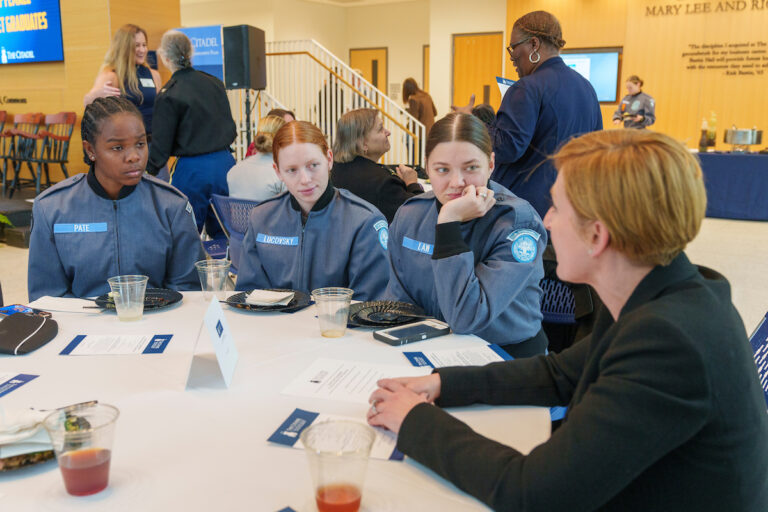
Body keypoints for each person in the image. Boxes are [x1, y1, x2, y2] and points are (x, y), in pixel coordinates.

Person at [367, 129, 768, 511]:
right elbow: (562, 373)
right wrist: (442, 383)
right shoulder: (660, 290)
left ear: (597, 236)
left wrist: (413, 421)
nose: (547, 221)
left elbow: (531, 493)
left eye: (558, 207)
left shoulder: (670, 341)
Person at [385, 113, 547, 357]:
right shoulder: (410, 216)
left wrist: (449, 223)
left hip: (505, 359)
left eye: (471, 168)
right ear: (427, 166)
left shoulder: (517, 223)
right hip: (427, 350)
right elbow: (397, 305)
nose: (456, 182)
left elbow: (467, 317)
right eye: (442, 169)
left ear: (491, 165)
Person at [28, 96, 205, 301]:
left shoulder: (172, 206)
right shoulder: (51, 209)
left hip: (158, 325)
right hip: (79, 327)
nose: (133, 156)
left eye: (140, 143)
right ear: (90, 150)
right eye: (118, 148)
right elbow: (47, 299)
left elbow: (186, 292)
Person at [453, 11, 602, 219]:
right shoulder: (587, 88)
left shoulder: (527, 88)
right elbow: (595, 151)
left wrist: (471, 121)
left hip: (523, 212)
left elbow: (507, 147)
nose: (512, 56)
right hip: (569, 209)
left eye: (514, 47)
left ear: (534, 44)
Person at [236, 121, 389, 301]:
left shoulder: (364, 222)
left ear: (329, 160)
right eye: (292, 170)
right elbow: (249, 296)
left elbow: (368, 306)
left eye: (313, 165)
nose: (305, 179)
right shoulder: (262, 218)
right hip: (274, 326)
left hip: (338, 328)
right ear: (278, 172)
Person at [146, 30, 237, 235]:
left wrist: (147, 172)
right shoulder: (215, 83)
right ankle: (223, 267)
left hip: (193, 170)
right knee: (224, 233)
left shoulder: (169, 94)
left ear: (165, 58)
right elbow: (230, 126)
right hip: (225, 164)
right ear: (191, 53)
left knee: (185, 233)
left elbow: (161, 147)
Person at [331, 109, 423, 223]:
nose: (388, 132)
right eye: (380, 129)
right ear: (363, 144)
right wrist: (412, 183)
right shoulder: (383, 183)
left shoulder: (331, 172)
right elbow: (420, 214)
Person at [84, 24, 162, 141]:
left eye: (144, 45)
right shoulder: (112, 75)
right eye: (137, 46)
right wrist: (97, 94)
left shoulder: (154, 75)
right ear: (125, 47)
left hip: (152, 142)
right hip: (126, 143)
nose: (142, 50)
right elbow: (87, 103)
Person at [227, 115, 286, 202]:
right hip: (269, 215)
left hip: (238, 216)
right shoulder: (281, 174)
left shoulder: (233, 171)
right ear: (283, 139)